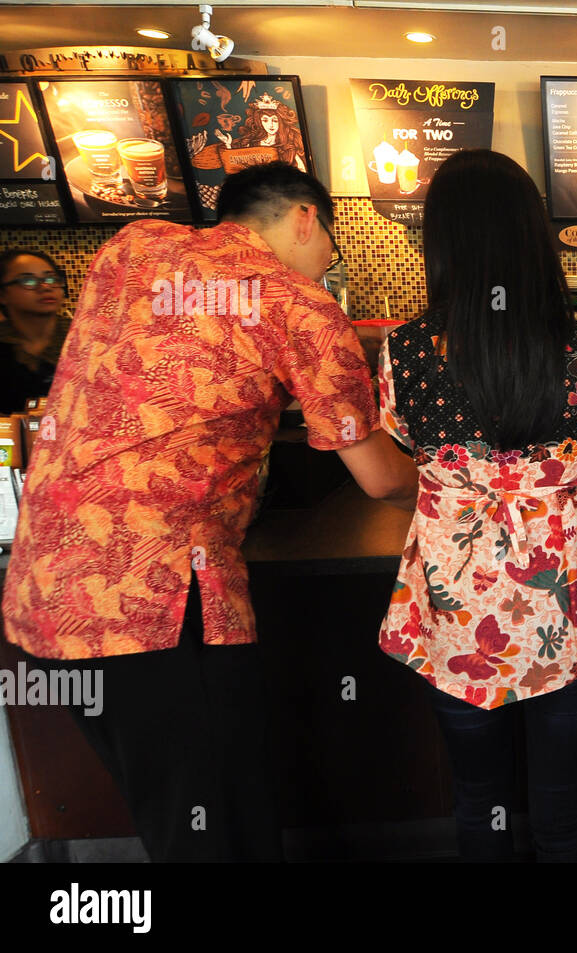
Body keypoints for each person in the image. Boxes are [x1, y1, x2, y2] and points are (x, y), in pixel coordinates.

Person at [1, 161, 417, 861]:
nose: (327, 268)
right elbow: (377, 476)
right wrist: (447, 472)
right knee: (217, 826)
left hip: (50, 588)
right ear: (304, 217)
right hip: (158, 599)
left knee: (172, 814)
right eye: (331, 250)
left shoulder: (130, 246)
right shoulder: (299, 306)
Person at [374, 150, 577, 863]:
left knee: (477, 805)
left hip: (456, 615)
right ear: (534, 238)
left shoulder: (403, 354)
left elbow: (400, 457)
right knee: (564, 817)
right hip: (564, 616)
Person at [0, 248, 68, 414]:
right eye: (28, 281)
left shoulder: (88, 339)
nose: (45, 287)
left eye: (51, 279)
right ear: (2, 294)